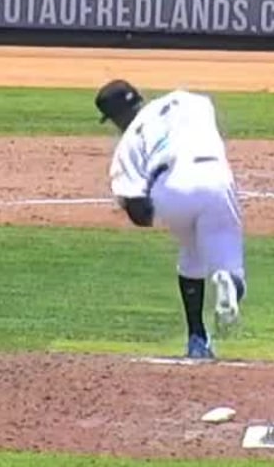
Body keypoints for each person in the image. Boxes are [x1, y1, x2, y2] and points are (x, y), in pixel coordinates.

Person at [97, 79, 247, 362]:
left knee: (191, 255)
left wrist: (158, 207)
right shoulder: (187, 100)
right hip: (216, 177)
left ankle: (197, 339)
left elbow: (139, 214)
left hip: (172, 187)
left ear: (116, 117)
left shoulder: (128, 143)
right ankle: (229, 282)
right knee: (228, 262)